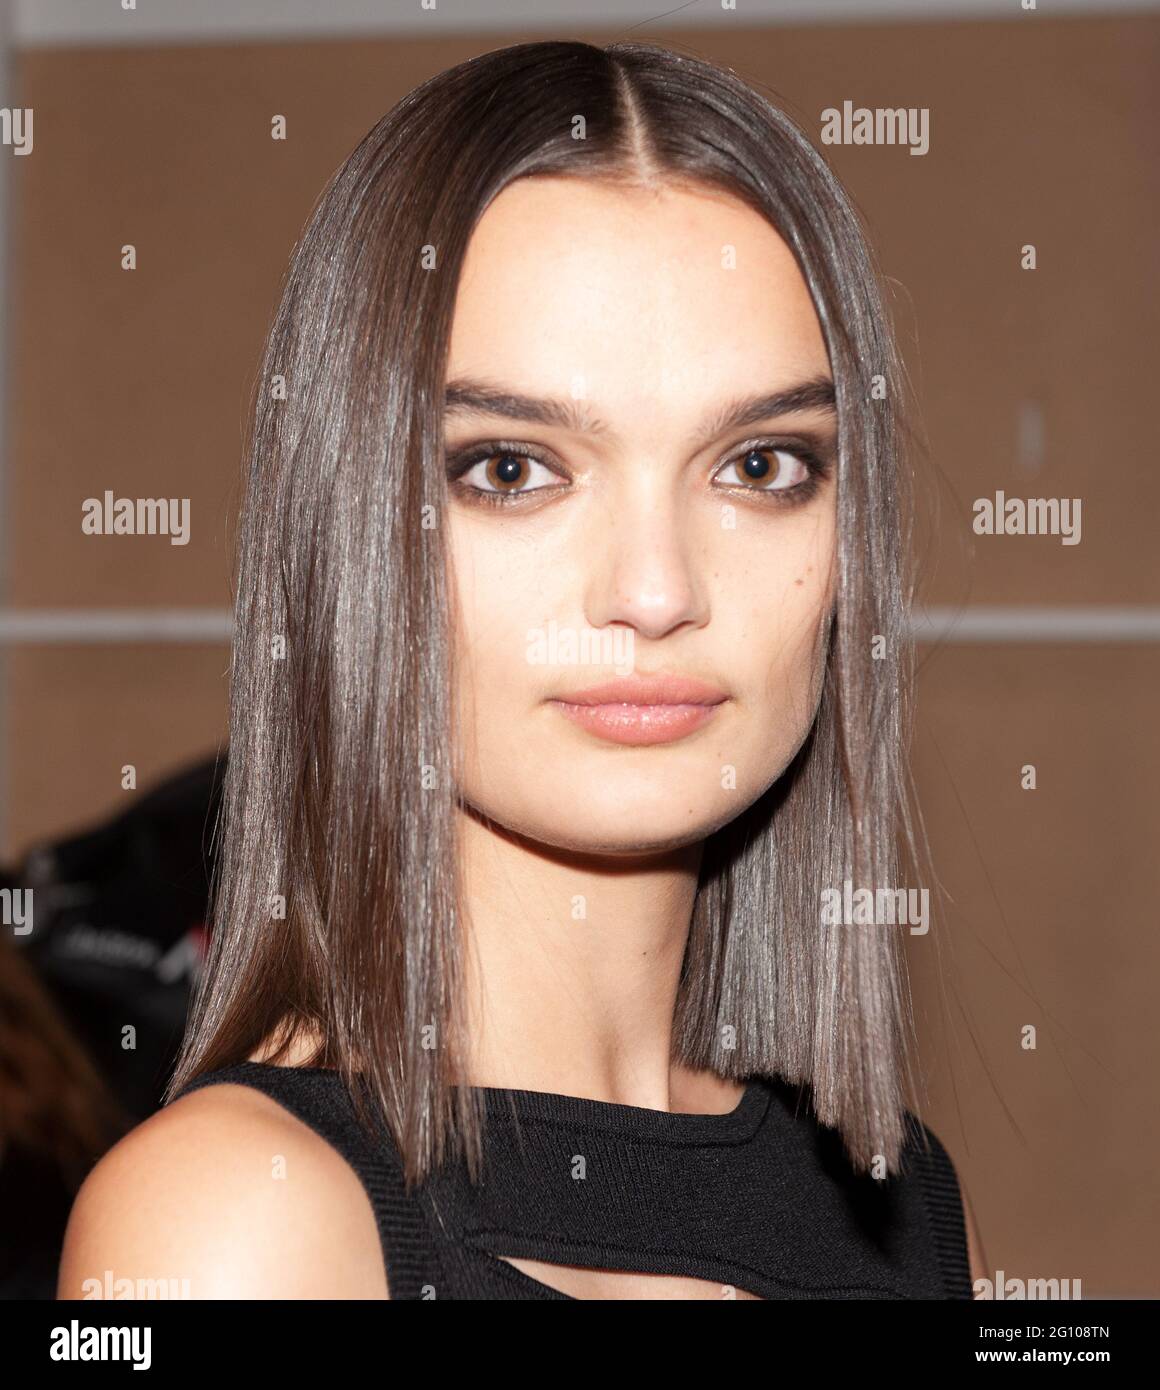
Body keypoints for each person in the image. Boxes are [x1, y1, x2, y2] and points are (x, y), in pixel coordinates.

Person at [58, 38, 986, 1300]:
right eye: (509, 468)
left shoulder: (909, 1211)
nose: (656, 590)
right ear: (347, 531)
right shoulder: (230, 1227)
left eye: (759, 465)